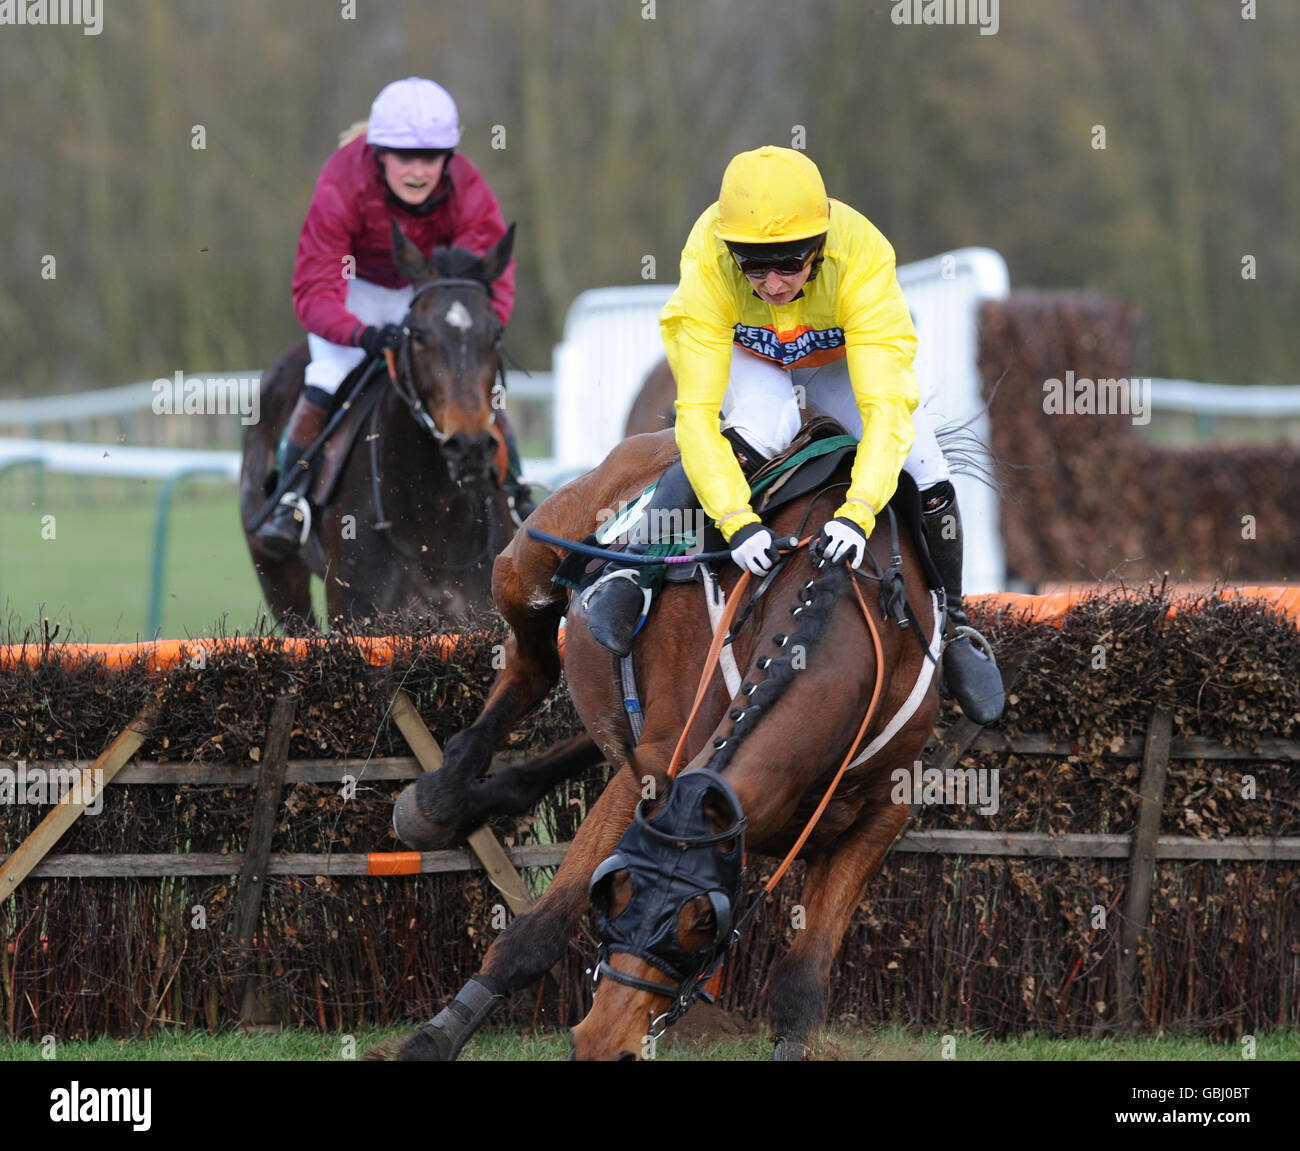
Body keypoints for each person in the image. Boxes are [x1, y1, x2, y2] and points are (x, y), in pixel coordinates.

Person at [583, 145, 1003, 724]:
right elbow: (698, 417)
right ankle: (633, 567)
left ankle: (955, 625)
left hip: (834, 358)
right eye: (754, 267)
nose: (773, 284)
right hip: (750, 354)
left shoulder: (863, 254)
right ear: (731, 253)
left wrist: (857, 514)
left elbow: (886, 410)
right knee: (760, 429)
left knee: (926, 462)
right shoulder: (708, 255)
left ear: (821, 248)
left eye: (789, 265)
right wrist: (737, 523)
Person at [256, 76, 532, 556]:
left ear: (447, 156)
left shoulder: (467, 186)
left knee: (472, 385)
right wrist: (362, 334)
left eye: (430, 158)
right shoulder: (342, 180)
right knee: (326, 376)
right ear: (377, 151)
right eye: (405, 157)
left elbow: (488, 281)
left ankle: (516, 495)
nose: (419, 171)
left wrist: (474, 337)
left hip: (427, 293)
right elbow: (314, 288)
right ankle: (292, 499)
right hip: (351, 293)